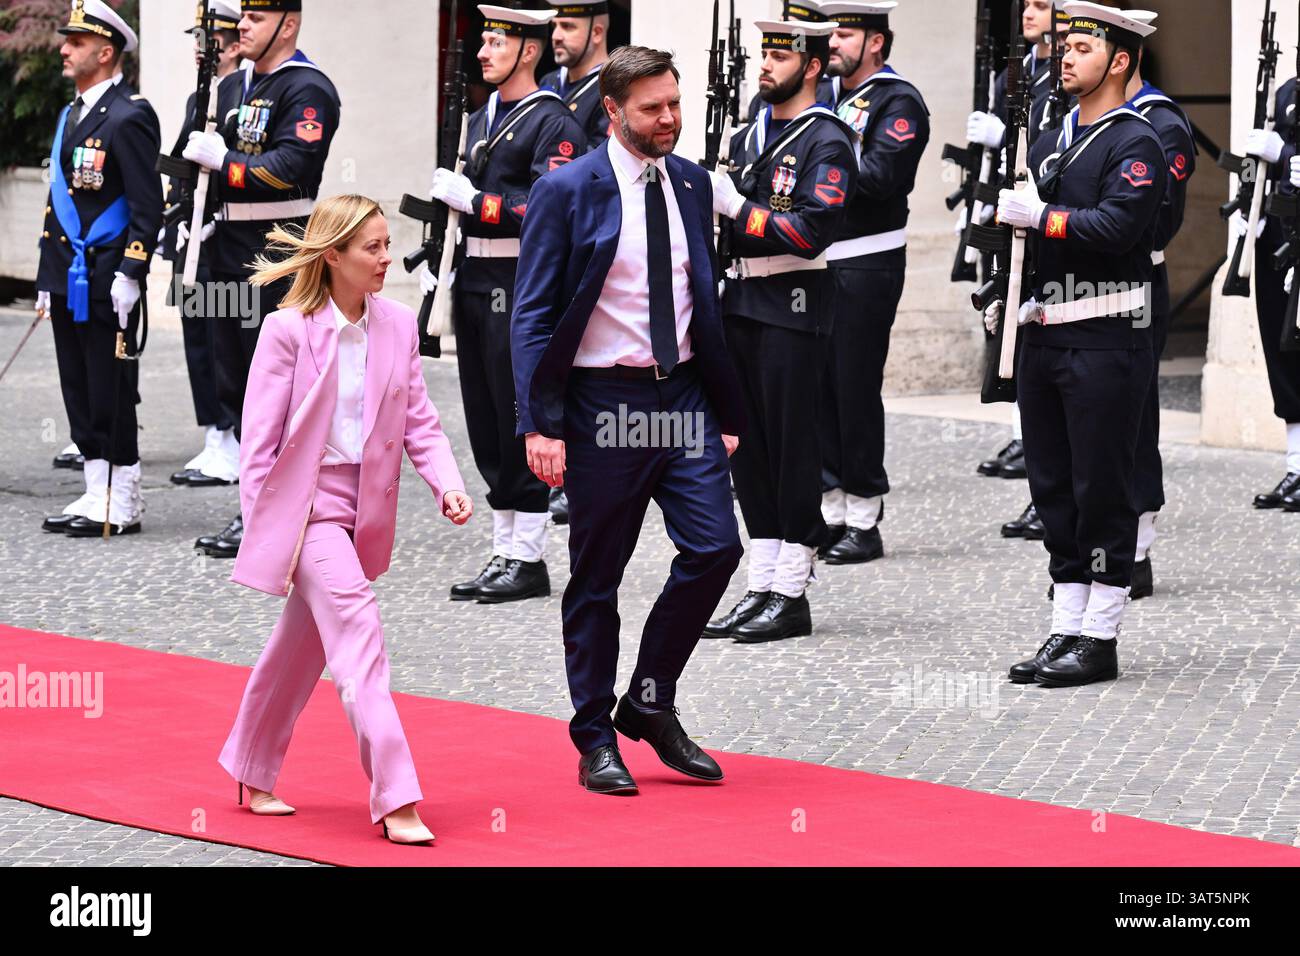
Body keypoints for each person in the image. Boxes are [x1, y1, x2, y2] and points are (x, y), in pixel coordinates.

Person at [512, 46, 746, 794]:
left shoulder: (691, 181)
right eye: (652, 108)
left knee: (715, 549)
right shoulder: (567, 191)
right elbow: (532, 315)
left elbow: (702, 302)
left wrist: (725, 409)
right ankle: (593, 737)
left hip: (681, 400)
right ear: (612, 112)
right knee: (597, 577)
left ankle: (648, 699)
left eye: (674, 103)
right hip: (599, 405)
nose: (670, 119)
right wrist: (538, 424)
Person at [217, 194, 473, 844]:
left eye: (389, 245)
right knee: (359, 634)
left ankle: (248, 766)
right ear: (333, 256)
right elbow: (258, 445)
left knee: (301, 646)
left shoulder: (397, 325)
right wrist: (268, 533)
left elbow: (419, 420)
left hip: (363, 514)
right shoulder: (288, 330)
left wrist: (447, 484)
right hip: (304, 515)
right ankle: (396, 798)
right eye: (374, 248)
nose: (388, 258)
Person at [995, 1, 1163, 687]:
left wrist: (1044, 218)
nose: (1066, 56)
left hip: (1103, 337)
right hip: (1046, 335)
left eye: (1085, 48)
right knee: (1054, 486)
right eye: (1065, 46)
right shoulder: (1054, 137)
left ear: (1120, 60)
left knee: (1103, 488)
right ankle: (1066, 623)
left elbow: (1116, 228)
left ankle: (1101, 634)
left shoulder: (1137, 141)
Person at [702, 18, 858, 643]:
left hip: (793, 304)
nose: (765, 65)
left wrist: (738, 207)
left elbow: (816, 229)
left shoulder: (828, 140)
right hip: (740, 300)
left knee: (794, 449)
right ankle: (761, 581)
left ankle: (792, 589)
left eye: (779, 56)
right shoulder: (745, 137)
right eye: (763, 54)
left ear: (813, 66)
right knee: (751, 449)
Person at [425, 5, 583, 604]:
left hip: (522, 276)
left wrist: (479, 202)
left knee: (521, 409)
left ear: (530, 51)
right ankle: (504, 543)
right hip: (473, 273)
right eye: (484, 41)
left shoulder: (553, 123)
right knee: (485, 411)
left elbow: (553, 209)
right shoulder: (478, 117)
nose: (485, 52)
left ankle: (529, 552)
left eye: (497, 42)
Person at [182, 0, 341, 559]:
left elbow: (288, 168)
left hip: (277, 251)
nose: (240, 28)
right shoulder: (230, 88)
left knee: (280, 387)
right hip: (225, 248)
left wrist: (224, 161)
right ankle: (256, 506)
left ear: (287, 24)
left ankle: (289, 509)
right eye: (240, 19)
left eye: (253, 19)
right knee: (240, 384)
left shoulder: (308, 89)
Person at [37, 0, 162, 538]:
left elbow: (145, 205)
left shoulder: (131, 115)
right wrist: (47, 279)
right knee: (78, 385)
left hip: (109, 277)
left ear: (105, 52)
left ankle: (124, 500)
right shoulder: (72, 114)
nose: (64, 49)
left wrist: (132, 273)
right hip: (70, 276)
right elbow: (58, 204)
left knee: (110, 383)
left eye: (76, 43)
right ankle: (94, 492)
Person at [817, 1, 929, 565]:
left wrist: (825, 149)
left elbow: (884, 179)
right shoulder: (826, 96)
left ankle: (864, 514)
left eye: (844, 34)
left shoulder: (897, 100)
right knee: (820, 388)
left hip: (866, 259)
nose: (832, 43)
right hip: (817, 258)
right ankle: (832, 507)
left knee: (853, 387)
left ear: (876, 42)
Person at [1124, 8, 1195, 597]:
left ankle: (1136, 547)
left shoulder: (1159, 122)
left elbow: (1157, 218)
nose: (1066, 57)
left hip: (1135, 286)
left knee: (1132, 416)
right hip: (1074, 289)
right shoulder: (1071, 123)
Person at [164, 0, 244, 488]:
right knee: (197, 337)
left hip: (220, 240)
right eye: (196, 40)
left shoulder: (239, 96)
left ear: (234, 45)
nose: (200, 50)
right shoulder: (203, 96)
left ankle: (232, 439)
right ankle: (214, 437)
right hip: (190, 239)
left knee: (222, 339)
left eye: (208, 41)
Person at [1241, 73, 1300, 511]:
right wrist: (1248, 203)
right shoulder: (1287, 92)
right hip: (1280, 237)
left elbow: (1283, 156)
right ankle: (1297, 466)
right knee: (1283, 354)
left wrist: (1286, 155)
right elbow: (1255, 158)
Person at [540, 0, 614, 152]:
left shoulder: (614, 86)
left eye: (567, 26)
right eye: (555, 26)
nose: (556, 36)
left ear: (596, 33)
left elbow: (603, 157)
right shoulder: (549, 81)